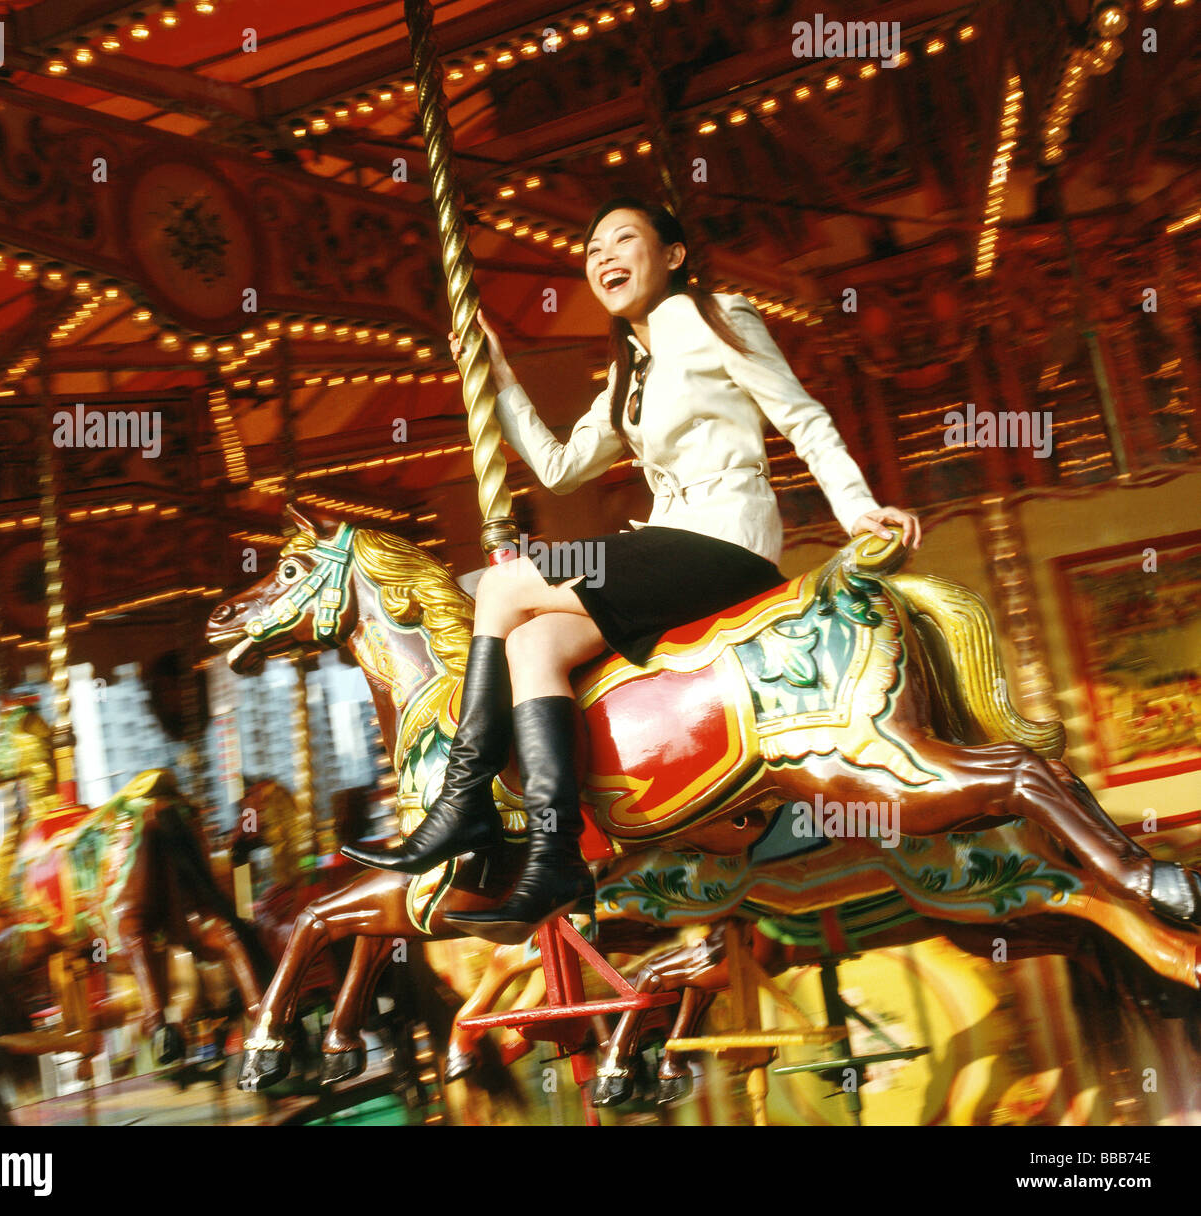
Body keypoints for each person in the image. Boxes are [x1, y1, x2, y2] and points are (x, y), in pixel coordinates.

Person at [343, 196, 921, 943]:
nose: (604, 257)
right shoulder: (626, 374)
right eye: (591, 251)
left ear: (673, 255)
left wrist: (856, 508)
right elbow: (557, 469)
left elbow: (801, 417)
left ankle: (464, 798)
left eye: (624, 239)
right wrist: (496, 373)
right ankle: (554, 856)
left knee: (508, 583)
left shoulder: (720, 317)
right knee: (532, 645)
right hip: (671, 543)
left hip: (727, 543)